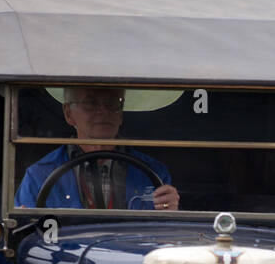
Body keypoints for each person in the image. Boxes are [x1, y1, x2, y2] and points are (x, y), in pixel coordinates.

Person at [15, 86, 181, 210]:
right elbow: (26, 239)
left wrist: (171, 212)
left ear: (121, 113)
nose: (103, 111)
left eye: (112, 103)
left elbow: (165, 237)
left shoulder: (154, 172)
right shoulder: (39, 175)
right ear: (68, 114)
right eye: (90, 103)